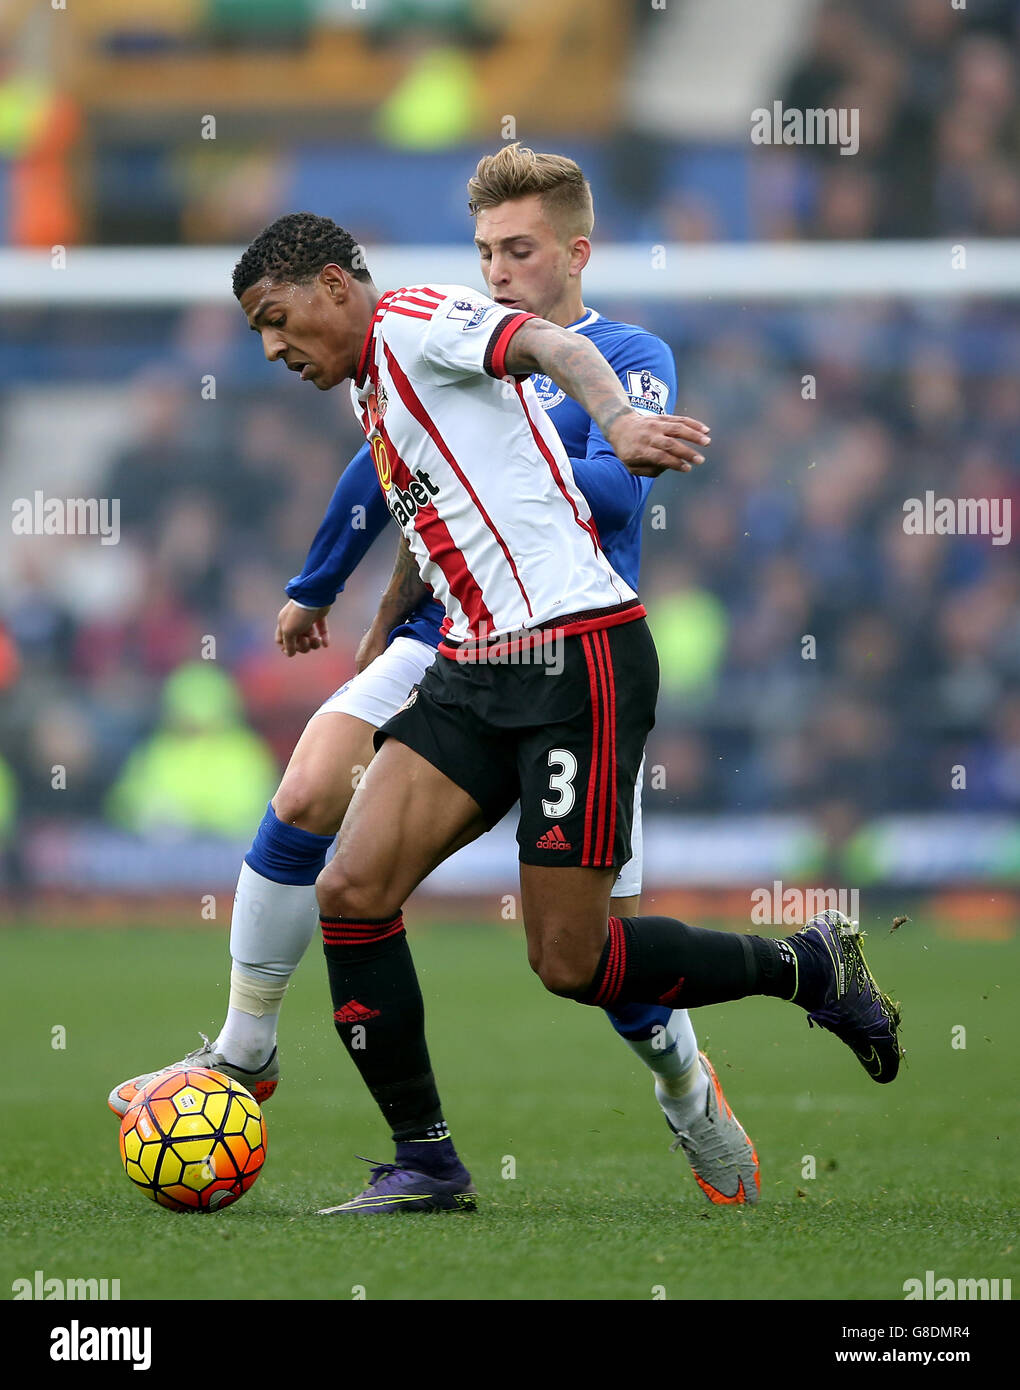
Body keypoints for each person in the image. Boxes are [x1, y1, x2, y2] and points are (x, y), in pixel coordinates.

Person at [111, 149, 759, 1207]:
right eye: (484, 251)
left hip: (571, 633)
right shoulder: (424, 350)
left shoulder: (613, 351)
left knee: (589, 956)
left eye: (519, 250)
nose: (497, 271)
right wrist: (329, 590)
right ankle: (252, 1054)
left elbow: (611, 497)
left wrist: (528, 445)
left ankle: (686, 1081)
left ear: (572, 253)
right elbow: (394, 481)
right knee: (314, 788)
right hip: (451, 637)